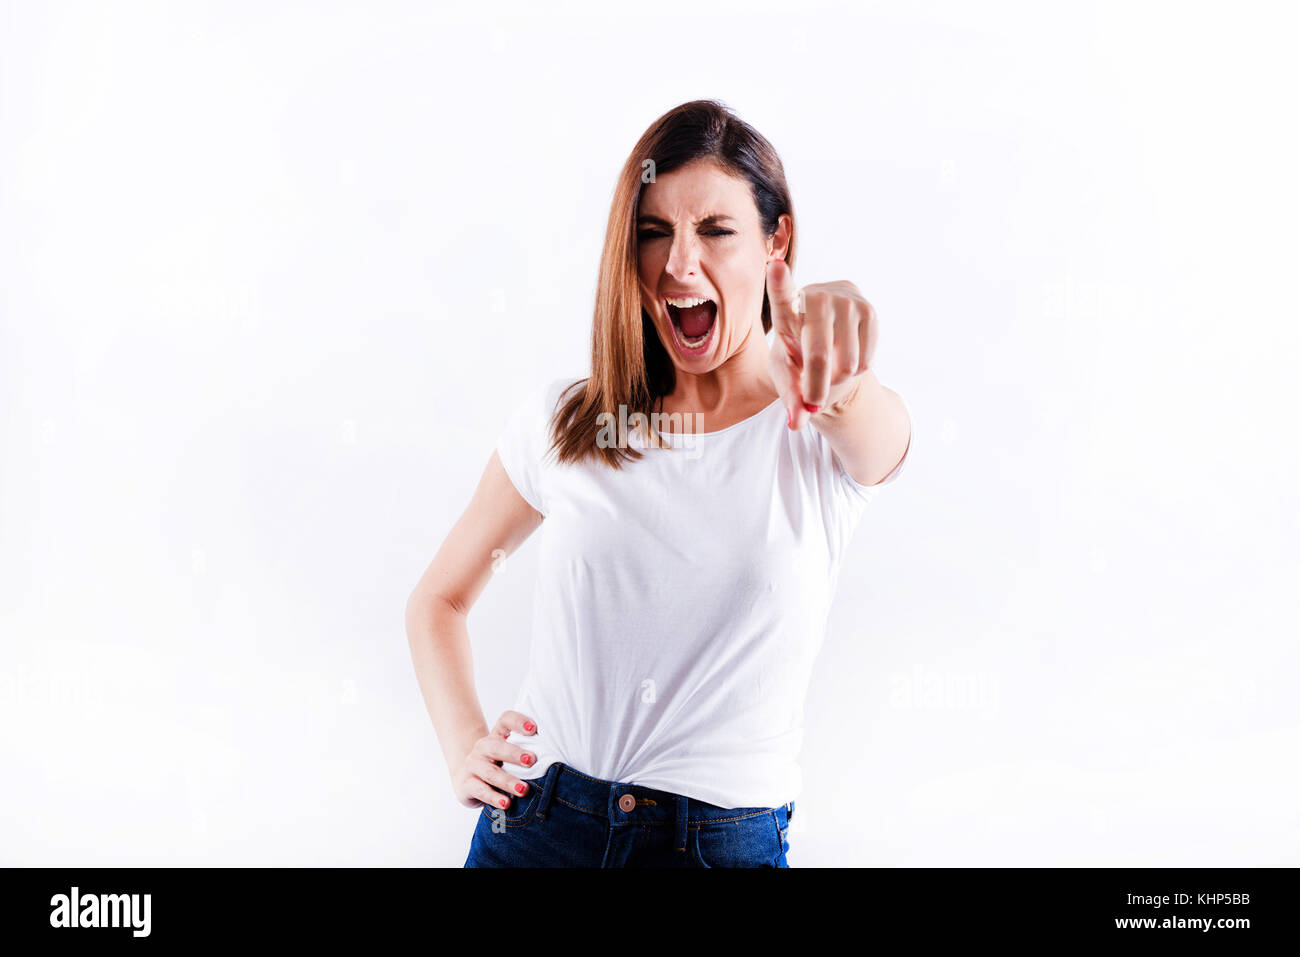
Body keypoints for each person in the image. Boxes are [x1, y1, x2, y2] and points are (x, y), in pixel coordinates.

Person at [405, 99, 912, 867]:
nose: (679, 262)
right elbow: (438, 600)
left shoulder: (819, 432)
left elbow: (879, 437)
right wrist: (464, 742)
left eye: (715, 229)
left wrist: (837, 380)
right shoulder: (569, 421)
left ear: (778, 241)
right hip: (539, 825)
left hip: (715, 847)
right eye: (653, 232)